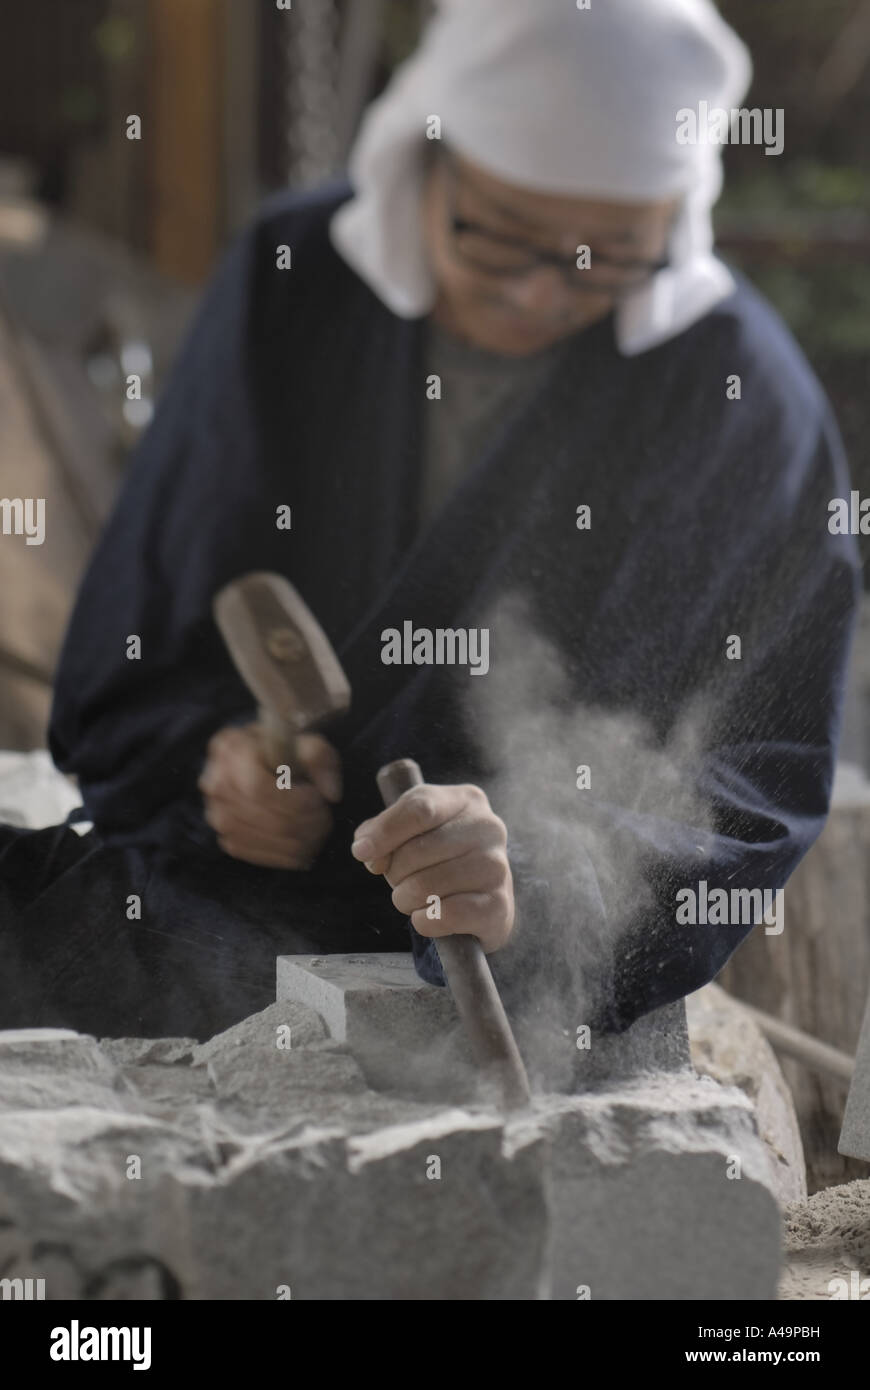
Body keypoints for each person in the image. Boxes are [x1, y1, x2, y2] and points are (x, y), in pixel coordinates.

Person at [0, 0, 860, 1067]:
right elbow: (138, 648)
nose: (542, 293)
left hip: (488, 982)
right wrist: (215, 769)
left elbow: (757, 777)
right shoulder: (299, 283)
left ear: (674, 223)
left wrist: (537, 883)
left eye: (605, 258)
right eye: (498, 238)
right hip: (211, 896)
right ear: (427, 164)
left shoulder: (737, 401)